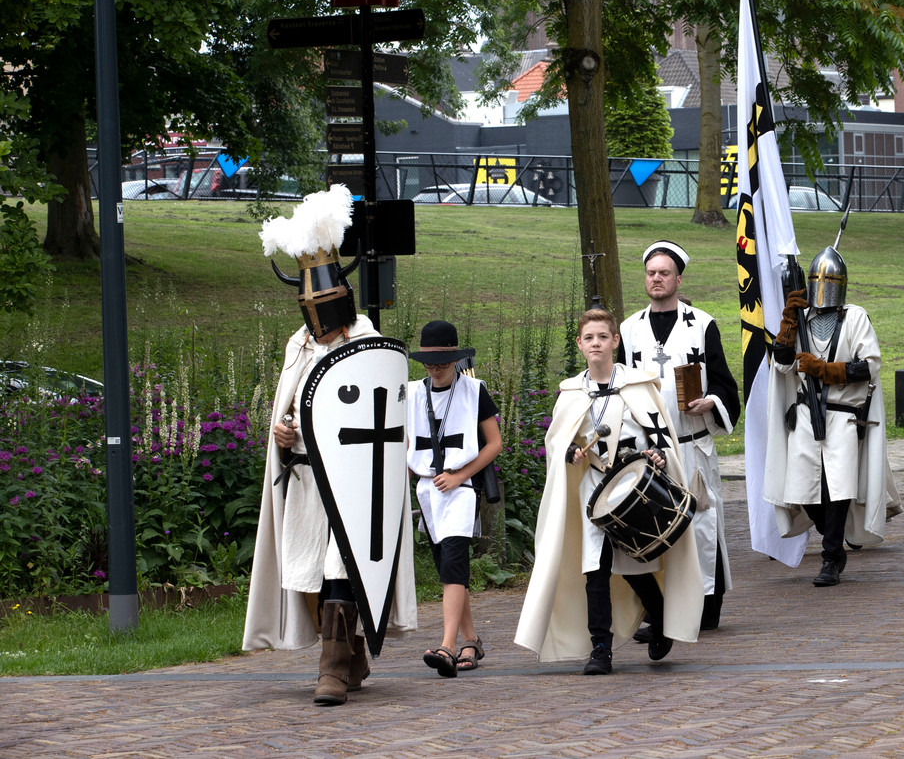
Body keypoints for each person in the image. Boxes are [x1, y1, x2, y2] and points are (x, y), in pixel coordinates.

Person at [243, 185, 417, 706]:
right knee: (312, 572)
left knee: (345, 565)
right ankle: (352, 652)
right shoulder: (297, 347)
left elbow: (381, 414)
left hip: (356, 481)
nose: (319, 319)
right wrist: (281, 430)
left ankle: (333, 671)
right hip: (306, 480)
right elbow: (292, 407)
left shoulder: (366, 343)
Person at [514, 307, 703, 675]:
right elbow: (558, 443)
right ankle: (600, 648)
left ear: (615, 341)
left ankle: (661, 618)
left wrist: (657, 457)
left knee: (635, 565)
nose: (596, 343)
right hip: (593, 490)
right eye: (589, 338)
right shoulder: (571, 393)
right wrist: (569, 452)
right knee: (595, 570)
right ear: (580, 345)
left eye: (602, 336)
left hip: (632, 485)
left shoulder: (639, 387)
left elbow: (660, 436)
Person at [618, 241, 740, 632]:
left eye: (664, 273)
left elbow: (725, 385)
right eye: (651, 273)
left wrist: (712, 402)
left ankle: (706, 606)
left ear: (678, 278)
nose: (656, 278)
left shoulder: (702, 325)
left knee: (702, 524)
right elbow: (619, 388)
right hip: (649, 451)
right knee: (654, 525)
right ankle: (658, 612)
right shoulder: (629, 329)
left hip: (691, 446)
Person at [764, 245, 896, 587]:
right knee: (802, 487)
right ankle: (831, 534)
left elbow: (869, 366)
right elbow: (781, 363)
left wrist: (825, 369)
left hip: (842, 415)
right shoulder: (802, 319)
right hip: (807, 413)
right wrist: (787, 326)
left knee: (837, 487)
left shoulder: (855, 317)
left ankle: (831, 556)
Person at [405, 320, 502, 677]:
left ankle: (446, 646)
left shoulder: (475, 391)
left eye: (442, 364)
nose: (435, 370)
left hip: (461, 490)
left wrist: (461, 475)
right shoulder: (413, 393)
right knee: (448, 572)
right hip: (428, 491)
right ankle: (471, 641)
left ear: (456, 360)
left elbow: (494, 443)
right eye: (429, 364)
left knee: (454, 565)